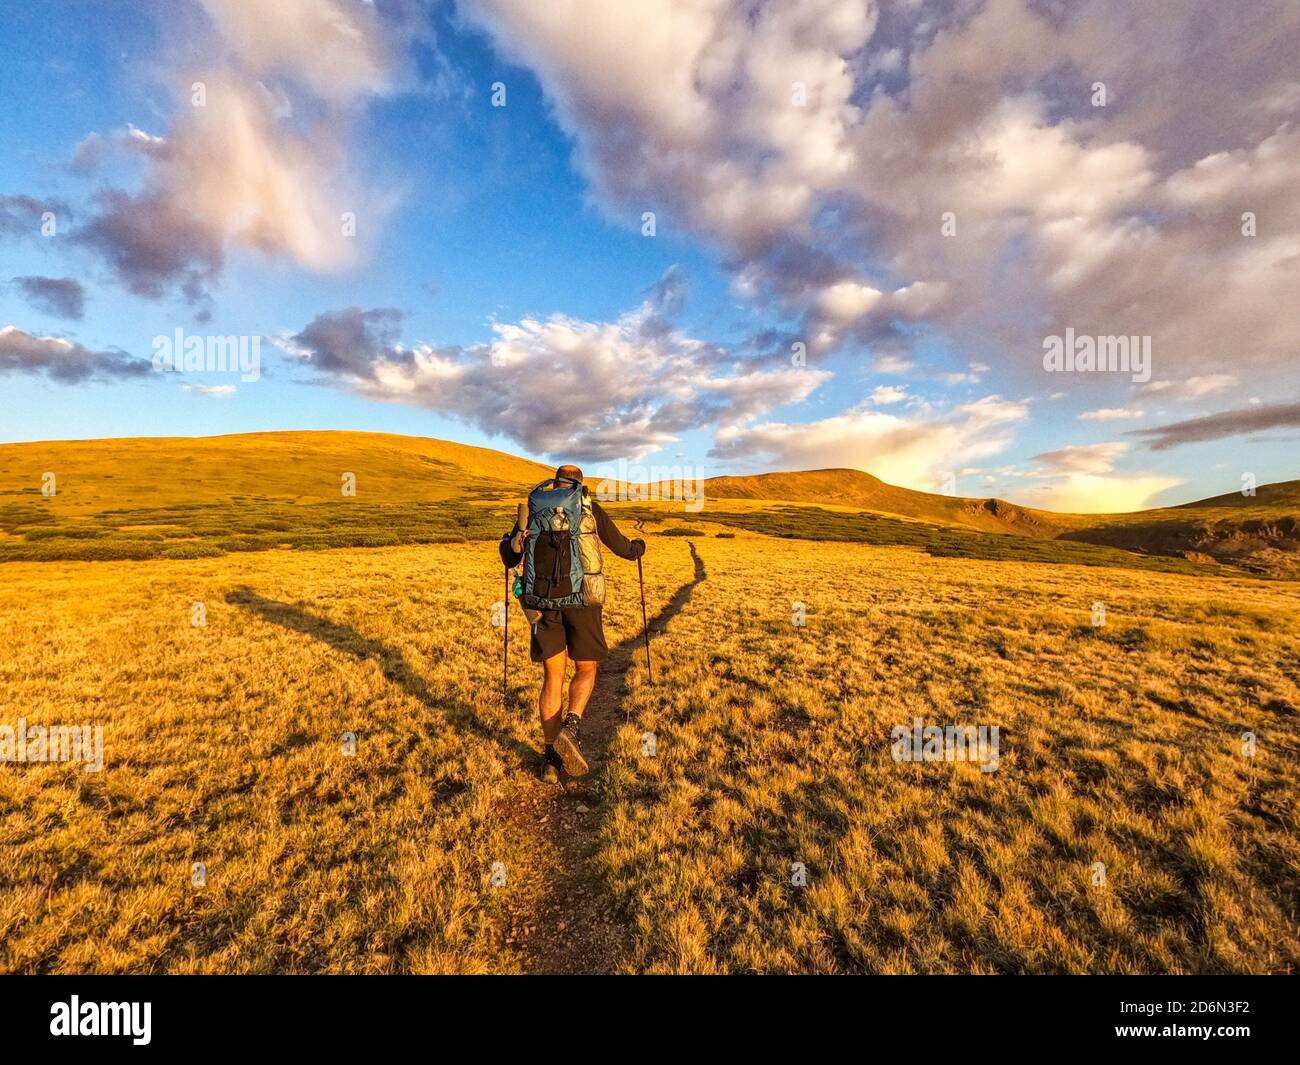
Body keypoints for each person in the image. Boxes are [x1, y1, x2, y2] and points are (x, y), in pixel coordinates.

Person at [499, 464, 645, 782]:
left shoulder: (535, 509)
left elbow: (509, 557)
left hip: (542, 604)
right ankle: (573, 725)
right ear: (580, 485)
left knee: (553, 678)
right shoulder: (588, 508)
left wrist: (513, 543)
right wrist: (638, 548)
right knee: (586, 669)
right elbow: (621, 547)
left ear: (556, 482)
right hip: (583, 601)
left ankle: (550, 760)